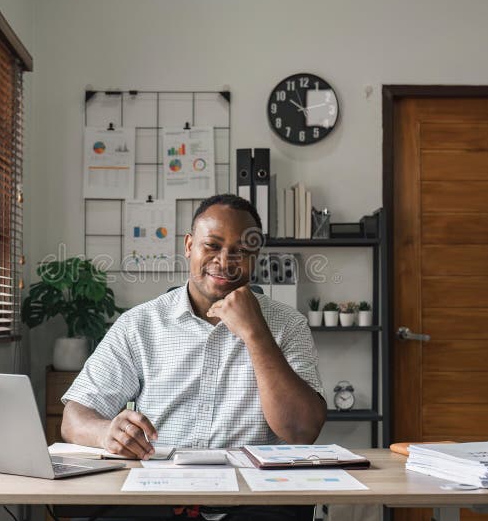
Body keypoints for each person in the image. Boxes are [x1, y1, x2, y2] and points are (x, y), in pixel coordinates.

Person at [61, 193, 327, 521]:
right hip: (158, 496)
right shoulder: (139, 324)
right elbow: (73, 417)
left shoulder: (289, 325)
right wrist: (105, 432)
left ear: (255, 258)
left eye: (241, 251)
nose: (225, 260)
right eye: (212, 245)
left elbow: (302, 430)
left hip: (256, 498)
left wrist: (256, 333)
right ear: (189, 246)